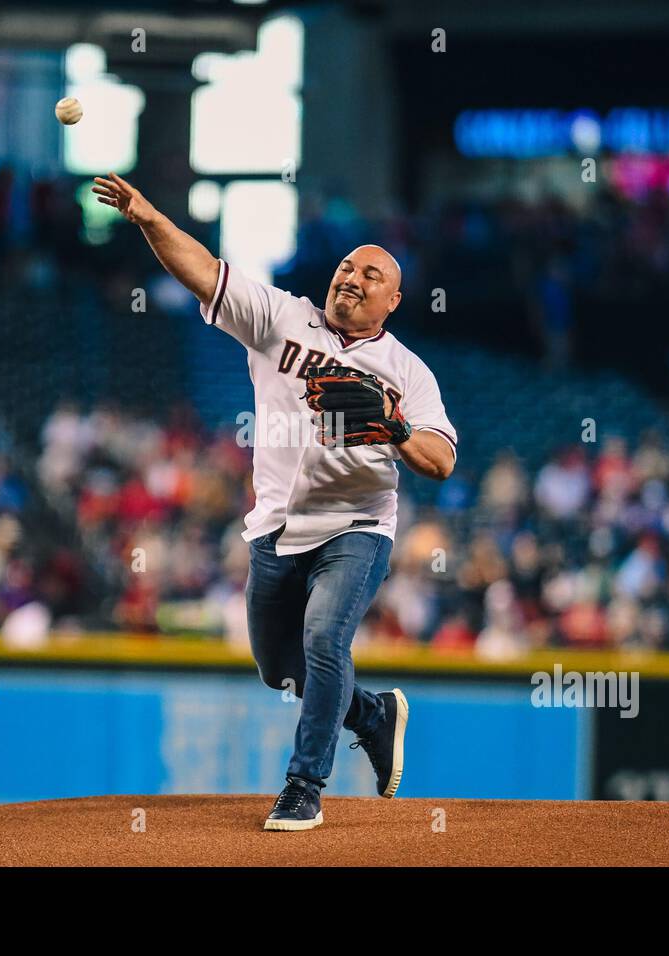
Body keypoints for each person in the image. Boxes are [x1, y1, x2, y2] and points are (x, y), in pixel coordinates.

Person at [93, 173, 458, 831]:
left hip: (356, 526)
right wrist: (148, 216)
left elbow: (442, 459)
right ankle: (373, 715)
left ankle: (304, 786)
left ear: (394, 300)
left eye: (371, 275)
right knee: (279, 669)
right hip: (274, 528)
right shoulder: (282, 317)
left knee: (324, 637)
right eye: (347, 267)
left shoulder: (407, 371)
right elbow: (204, 272)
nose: (352, 278)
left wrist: (397, 427)